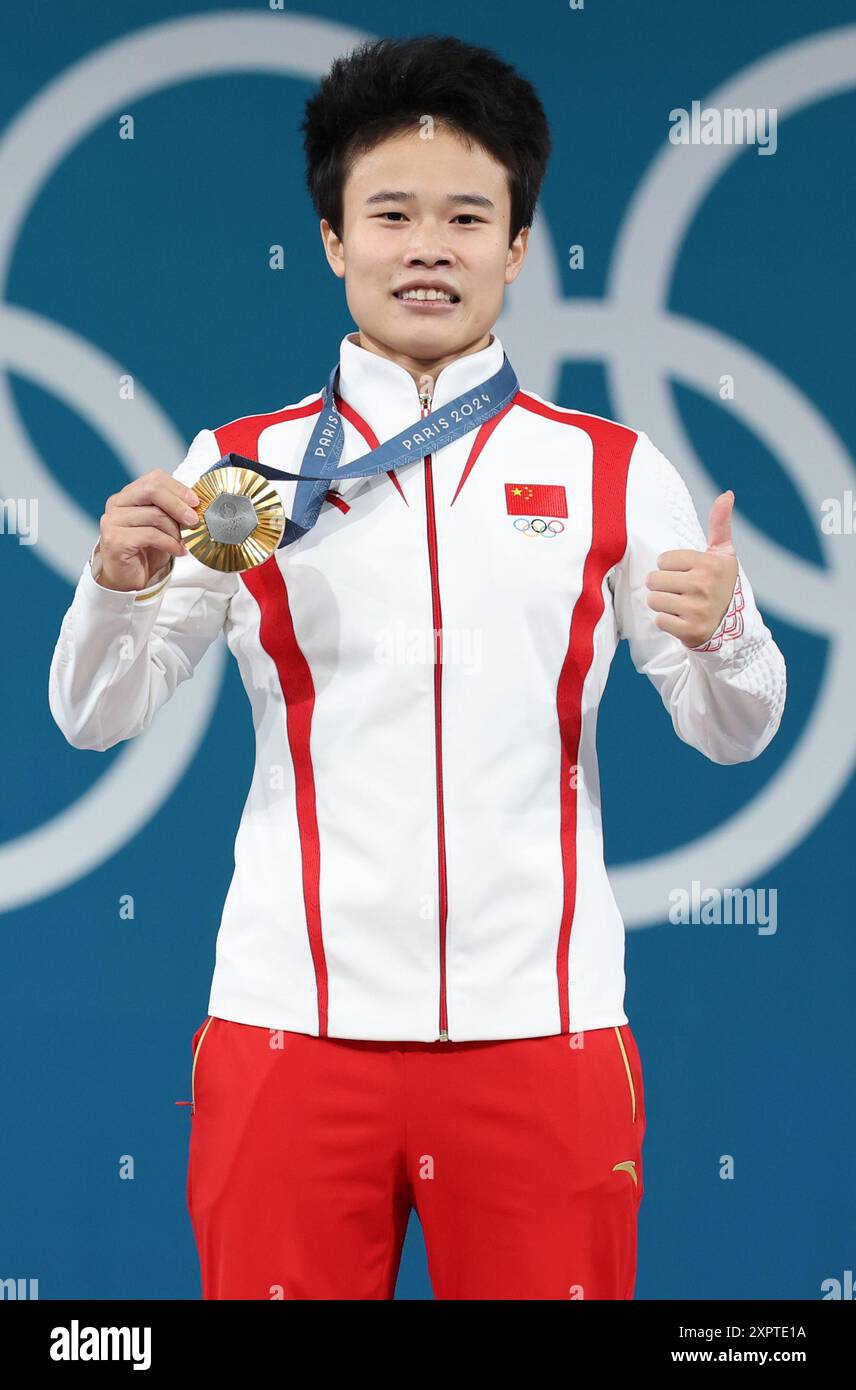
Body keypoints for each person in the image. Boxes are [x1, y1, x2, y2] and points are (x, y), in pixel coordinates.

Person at [47, 34, 787, 1301]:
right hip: (292, 1033)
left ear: (515, 246)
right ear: (334, 240)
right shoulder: (252, 472)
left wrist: (724, 628)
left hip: (542, 1038)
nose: (426, 246)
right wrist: (113, 594)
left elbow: (735, 730)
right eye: (389, 213)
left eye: (466, 216)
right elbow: (96, 717)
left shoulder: (610, 469)